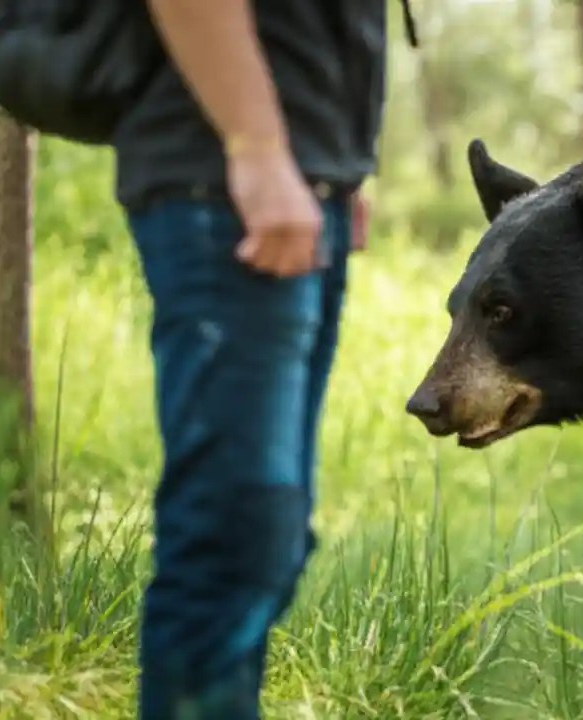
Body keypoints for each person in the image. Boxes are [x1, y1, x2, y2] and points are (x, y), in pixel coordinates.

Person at [111, 2, 405, 716]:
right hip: (226, 179)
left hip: (299, 178)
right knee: (232, 536)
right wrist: (257, 149)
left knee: (264, 540)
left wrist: (336, 167)